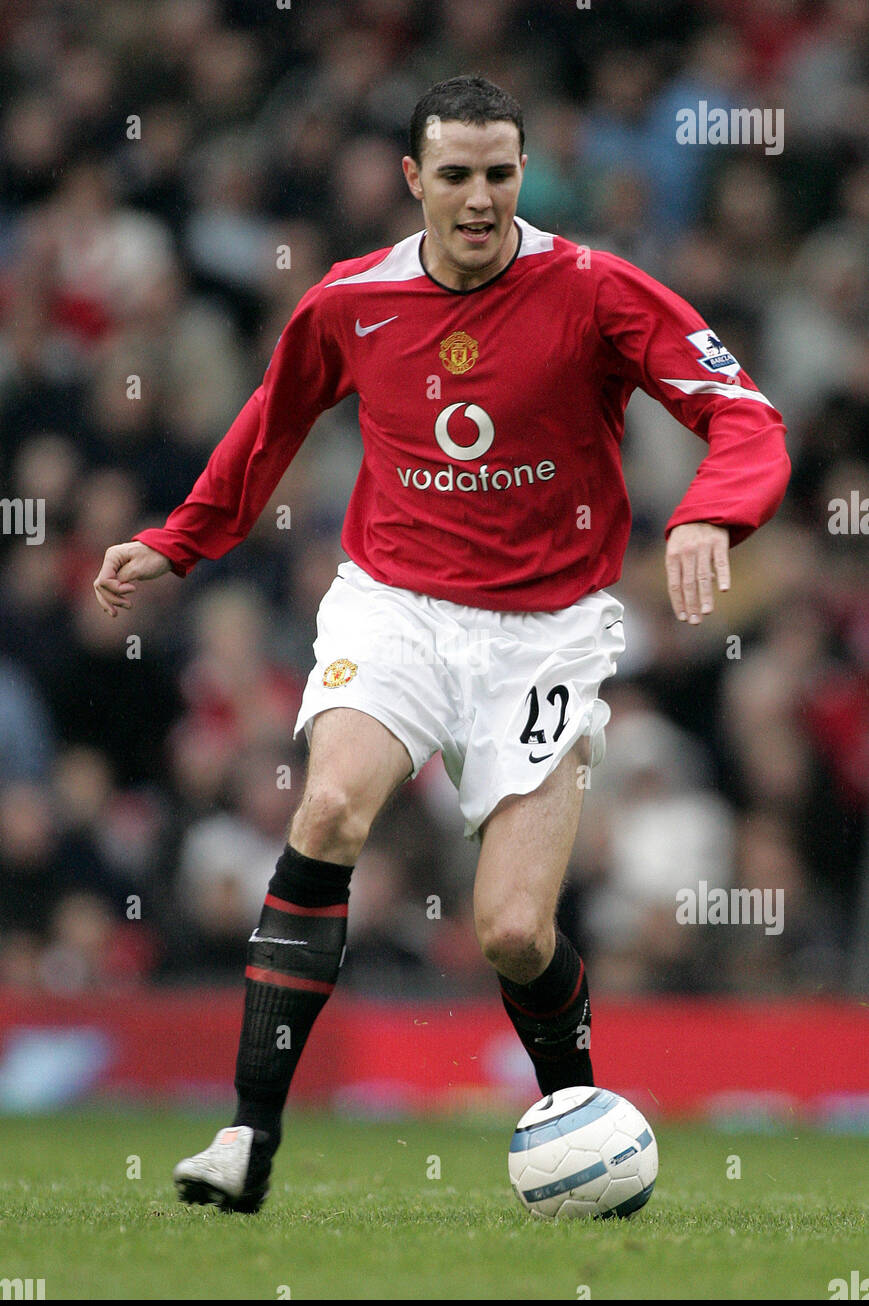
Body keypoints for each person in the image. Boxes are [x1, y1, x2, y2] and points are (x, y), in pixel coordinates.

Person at [93, 76, 790, 1212]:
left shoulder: (595, 290)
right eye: (454, 174)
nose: (478, 198)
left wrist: (713, 507)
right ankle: (247, 1135)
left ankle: (580, 1116)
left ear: (523, 175)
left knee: (513, 932)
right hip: (396, 605)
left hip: (546, 633)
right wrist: (180, 542)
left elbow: (740, 411)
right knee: (326, 811)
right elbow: (268, 427)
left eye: (499, 174)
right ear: (412, 178)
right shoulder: (347, 301)